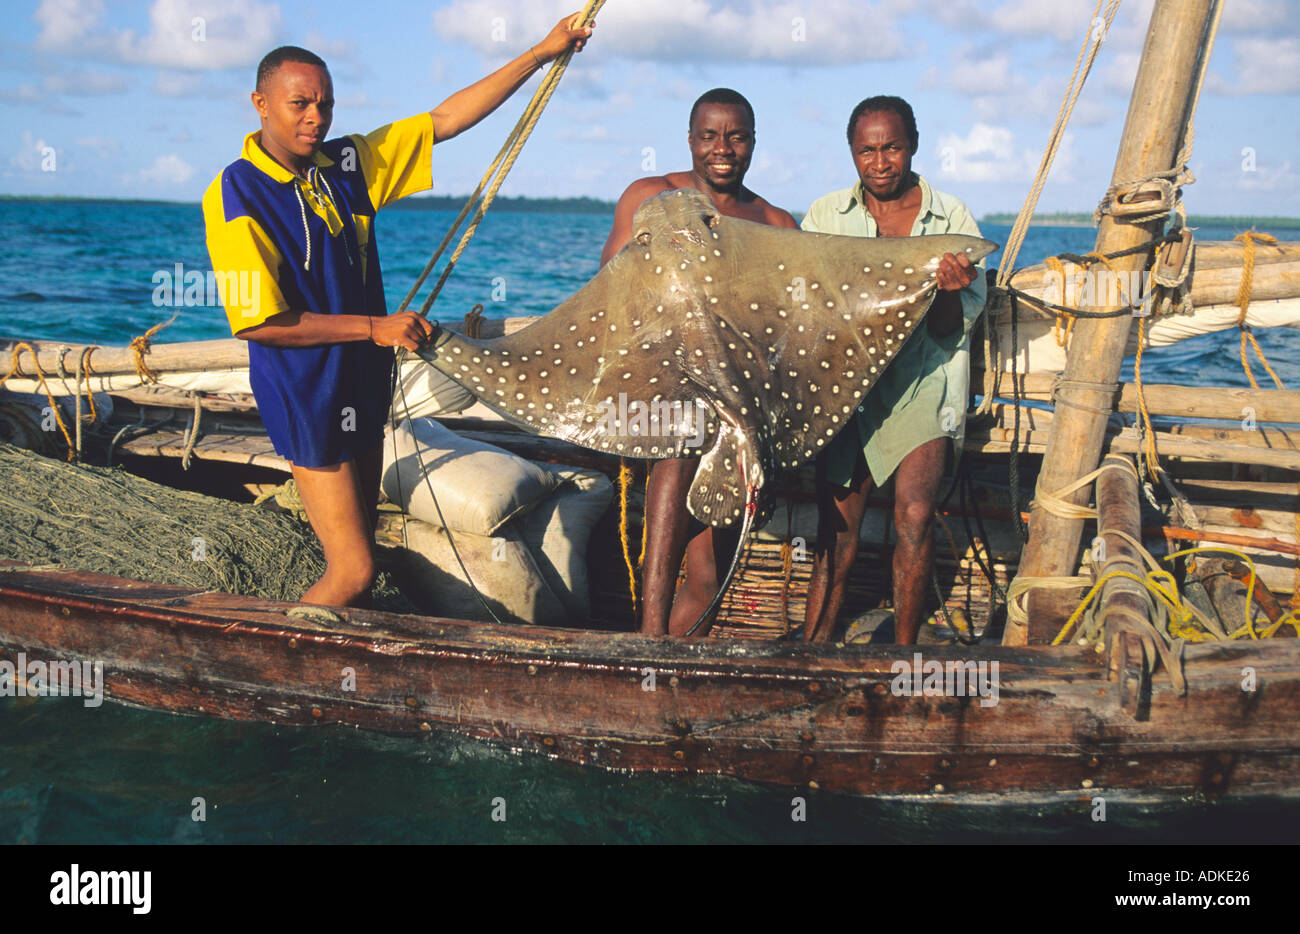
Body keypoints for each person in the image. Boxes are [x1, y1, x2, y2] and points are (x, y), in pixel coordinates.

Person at [204, 15, 594, 608]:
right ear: (260, 103)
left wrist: (542, 52)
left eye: (326, 104)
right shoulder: (236, 192)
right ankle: (276, 667)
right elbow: (260, 322)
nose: (316, 118)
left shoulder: (344, 167)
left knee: (367, 538)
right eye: (299, 104)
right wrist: (375, 328)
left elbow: (442, 121)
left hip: (361, 383)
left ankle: (344, 669)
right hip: (306, 393)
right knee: (354, 570)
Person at [599, 88, 800, 638]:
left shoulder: (776, 223)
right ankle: (649, 643)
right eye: (709, 136)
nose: (723, 148)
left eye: (736, 137)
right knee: (680, 429)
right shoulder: (650, 194)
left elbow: (790, 334)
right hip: (662, 399)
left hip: (737, 414)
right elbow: (611, 288)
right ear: (690, 141)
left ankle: (677, 660)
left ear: (752, 144)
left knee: (710, 577)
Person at [801, 95, 986, 644]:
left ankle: (902, 654)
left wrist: (950, 290)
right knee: (837, 531)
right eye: (867, 151)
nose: (881, 162)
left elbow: (951, 329)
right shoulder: (825, 216)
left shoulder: (950, 218)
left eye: (892, 148)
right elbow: (807, 308)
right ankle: (814, 650)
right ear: (853, 153)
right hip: (844, 387)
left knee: (914, 516)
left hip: (921, 382)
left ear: (913, 146)